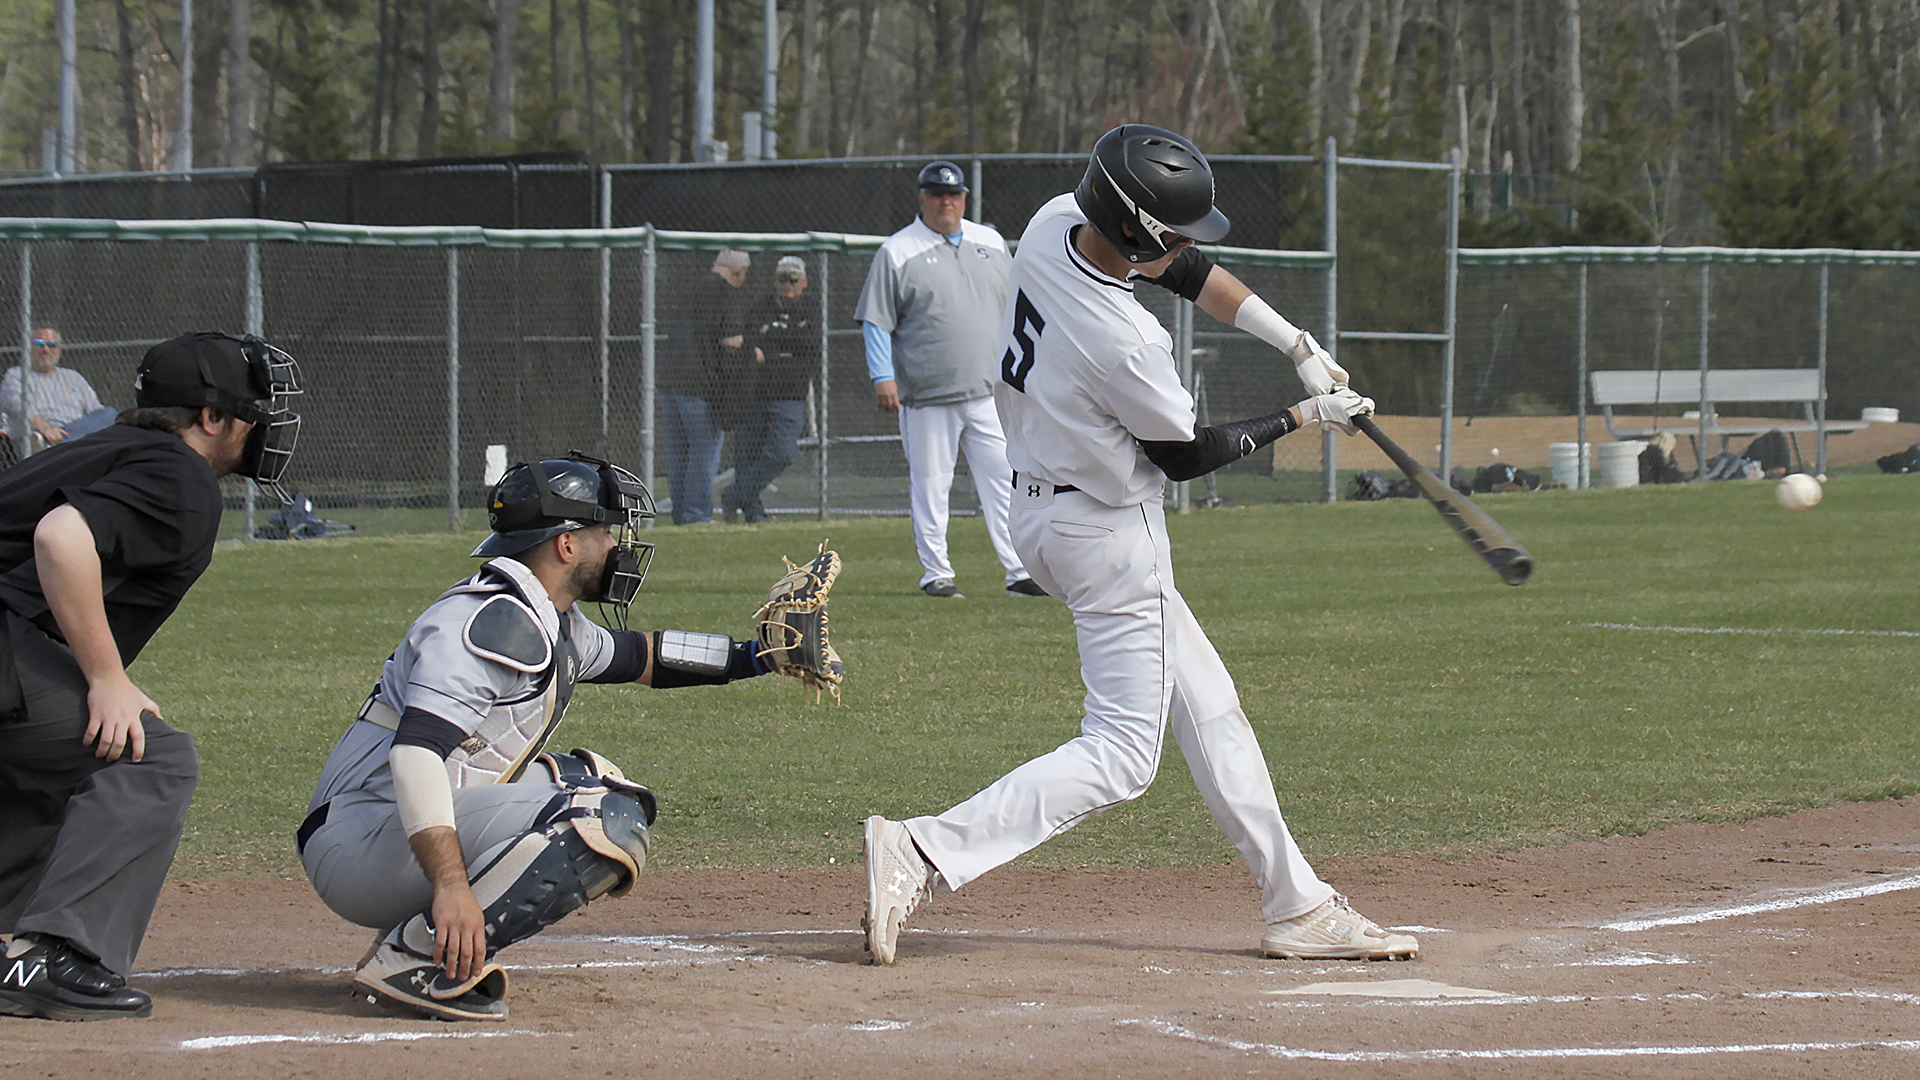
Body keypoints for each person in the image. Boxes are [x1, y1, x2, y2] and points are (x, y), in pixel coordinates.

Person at [860, 125, 1415, 966]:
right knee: (1123, 756)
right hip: (1108, 537)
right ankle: (927, 847)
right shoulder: (1124, 342)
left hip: (1039, 512)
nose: (1187, 247)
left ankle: (1295, 902)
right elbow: (1186, 455)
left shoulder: (1055, 221)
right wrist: (1306, 416)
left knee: (1210, 705)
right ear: (1137, 233)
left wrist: (1294, 343)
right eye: (1173, 231)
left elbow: (1182, 267)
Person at [298, 453, 782, 1022]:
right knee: (605, 821)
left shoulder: (546, 616)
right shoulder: (486, 623)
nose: (616, 546)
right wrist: (452, 886)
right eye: (604, 531)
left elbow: (645, 656)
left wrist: (763, 655)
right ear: (566, 545)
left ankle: (410, 939)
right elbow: (414, 756)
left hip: (389, 828)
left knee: (588, 781)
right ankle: (418, 957)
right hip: (359, 843)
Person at [0, 331, 303, 1020]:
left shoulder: (110, 447)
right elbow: (61, 537)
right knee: (148, 755)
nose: (263, 425)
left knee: (63, 755)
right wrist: (106, 677)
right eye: (251, 410)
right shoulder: (182, 474)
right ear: (209, 419)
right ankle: (60, 957)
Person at [855, 161, 1041, 599]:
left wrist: (1024, 368)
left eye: (953, 194)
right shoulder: (897, 251)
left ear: (964, 199)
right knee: (931, 484)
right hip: (927, 395)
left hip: (989, 392)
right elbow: (876, 322)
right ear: (922, 199)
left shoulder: (990, 242)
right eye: (937, 194)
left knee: (1005, 481)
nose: (946, 201)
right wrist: (883, 376)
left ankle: (1020, 571)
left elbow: (1017, 309)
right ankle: (936, 574)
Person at [722, 256, 818, 524]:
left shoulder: (812, 309)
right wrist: (787, 343)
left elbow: (808, 350)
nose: (788, 284)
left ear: (804, 282)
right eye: (783, 279)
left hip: (790, 395)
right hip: (756, 392)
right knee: (747, 454)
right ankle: (754, 514)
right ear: (775, 281)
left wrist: (771, 346)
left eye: (794, 279)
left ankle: (734, 494)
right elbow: (752, 345)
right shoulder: (760, 307)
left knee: (782, 452)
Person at [660, 251, 751, 525]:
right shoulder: (724, 292)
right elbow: (730, 340)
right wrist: (752, 349)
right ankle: (696, 514)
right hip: (699, 385)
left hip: (670, 381)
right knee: (704, 450)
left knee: (680, 452)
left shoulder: (693, 288)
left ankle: (681, 513)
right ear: (739, 272)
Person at [0, 328, 113, 453]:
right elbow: (21, 409)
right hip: (38, 433)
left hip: (76, 432)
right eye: (40, 344)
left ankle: (61, 442)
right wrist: (46, 430)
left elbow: (96, 412)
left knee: (110, 414)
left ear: (59, 349)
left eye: (52, 345)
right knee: (33, 433)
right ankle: (51, 443)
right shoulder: (16, 375)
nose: (46, 350)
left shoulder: (73, 377)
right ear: (30, 348)